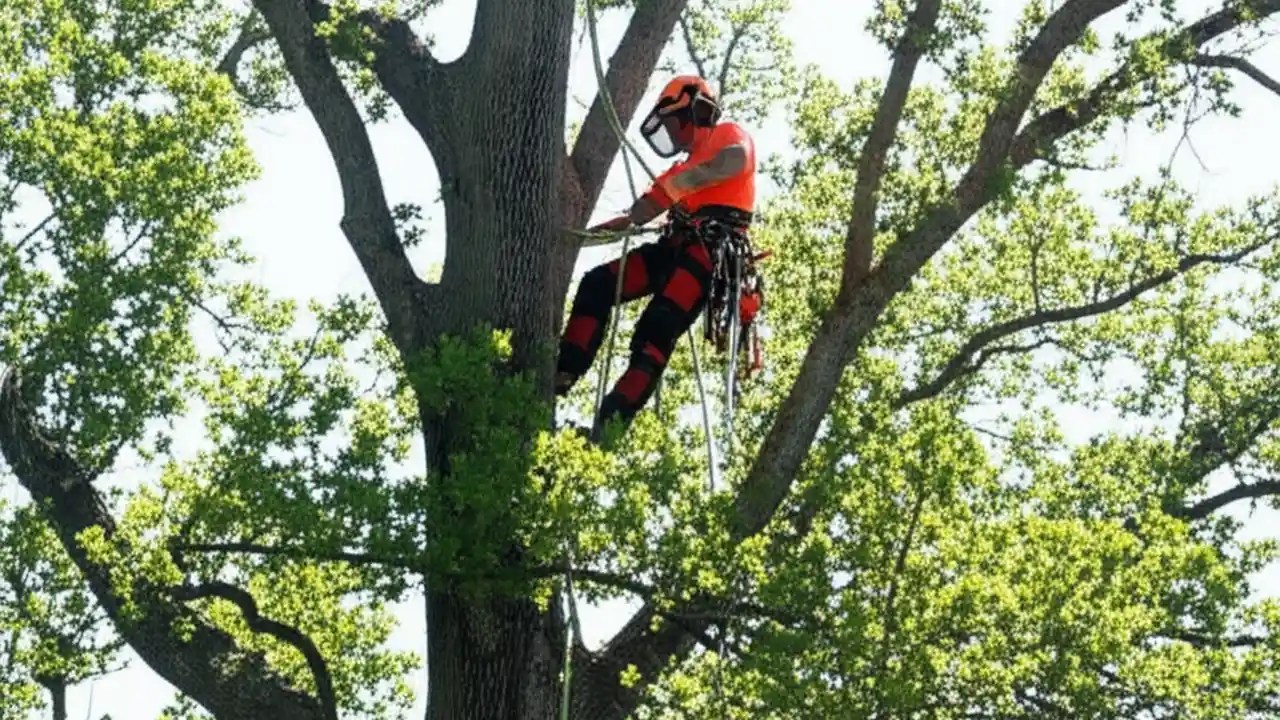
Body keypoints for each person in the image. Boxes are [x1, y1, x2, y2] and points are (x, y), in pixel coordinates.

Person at [556, 74, 760, 440]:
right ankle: (563, 370)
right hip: (671, 247)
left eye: (673, 123)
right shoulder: (676, 171)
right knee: (598, 284)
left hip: (708, 253)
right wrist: (580, 239)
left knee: (655, 331)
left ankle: (609, 427)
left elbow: (734, 162)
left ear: (692, 110)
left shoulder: (725, 135)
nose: (673, 134)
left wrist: (679, 187)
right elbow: (640, 213)